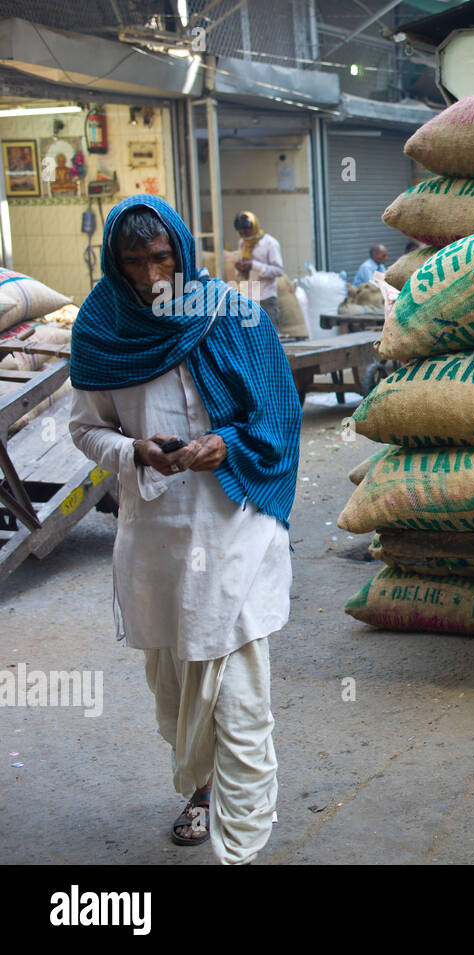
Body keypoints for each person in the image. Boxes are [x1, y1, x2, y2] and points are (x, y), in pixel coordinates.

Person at [68, 194, 301, 865]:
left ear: (180, 249)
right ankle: (201, 791)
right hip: (156, 537)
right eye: (134, 261)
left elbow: (278, 418)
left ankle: (244, 828)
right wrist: (135, 451)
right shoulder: (101, 326)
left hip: (234, 523)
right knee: (175, 685)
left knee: (235, 679)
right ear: (116, 262)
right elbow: (86, 428)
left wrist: (223, 445)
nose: (150, 275)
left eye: (161, 256)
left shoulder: (233, 315)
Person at [233, 211, 285, 333]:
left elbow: (278, 270)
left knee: (269, 334)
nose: (244, 235)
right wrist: (240, 267)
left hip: (265, 296)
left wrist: (254, 265)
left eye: (246, 231)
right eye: (241, 233)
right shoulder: (242, 243)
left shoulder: (270, 243)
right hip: (248, 297)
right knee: (250, 336)